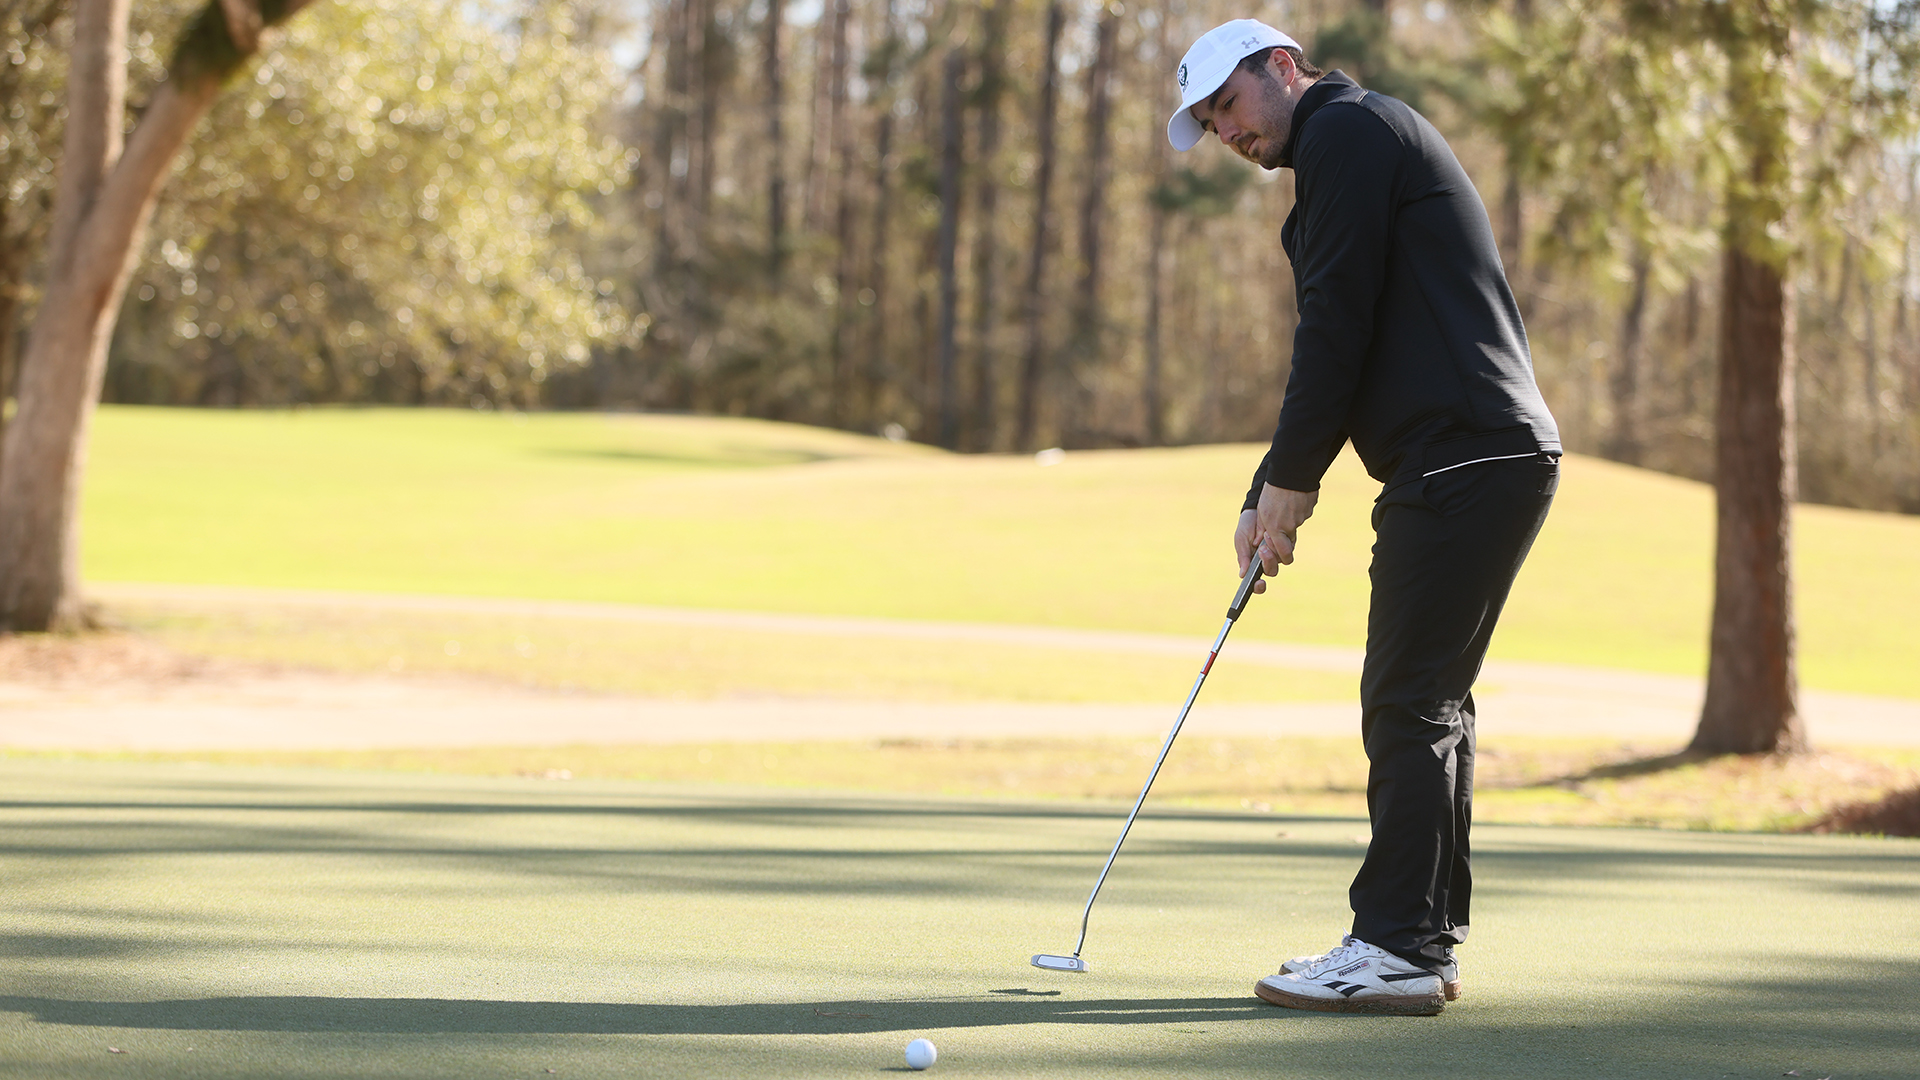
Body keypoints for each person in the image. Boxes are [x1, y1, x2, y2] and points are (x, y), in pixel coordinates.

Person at [1166, 20, 1562, 1015]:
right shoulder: (1343, 154)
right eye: (1209, 121)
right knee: (1427, 699)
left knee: (1406, 699)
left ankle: (1395, 946)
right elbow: (1342, 343)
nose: (1225, 131)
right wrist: (1269, 489)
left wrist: (1291, 486)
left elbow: (1334, 323)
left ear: (1284, 68)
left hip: (1467, 451)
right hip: (1472, 454)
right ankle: (1419, 942)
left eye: (1229, 103)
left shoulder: (1348, 132)